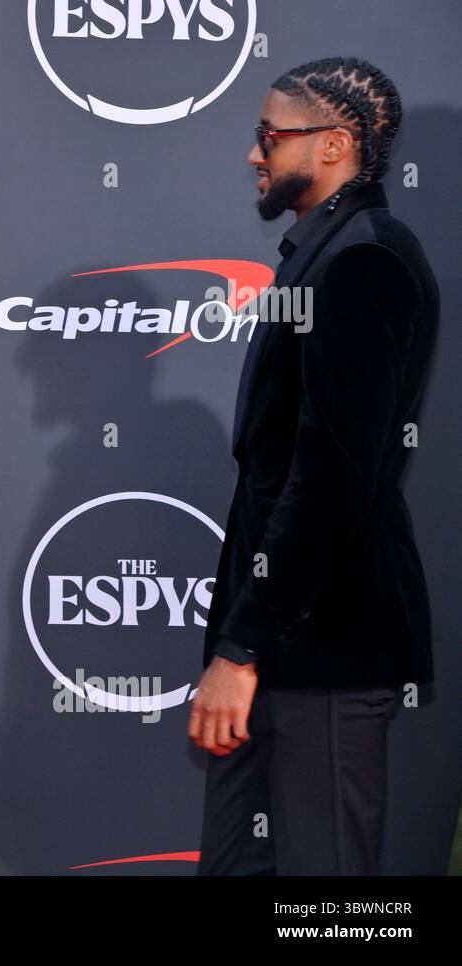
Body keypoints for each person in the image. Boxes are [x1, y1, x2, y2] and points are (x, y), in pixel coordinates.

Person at [193, 58, 439, 875]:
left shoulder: (363, 260)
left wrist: (241, 651)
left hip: (323, 651)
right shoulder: (320, 253)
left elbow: (332, 479)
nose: (253, 154)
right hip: (281, 650)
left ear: (333, 144)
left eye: (270, 134)